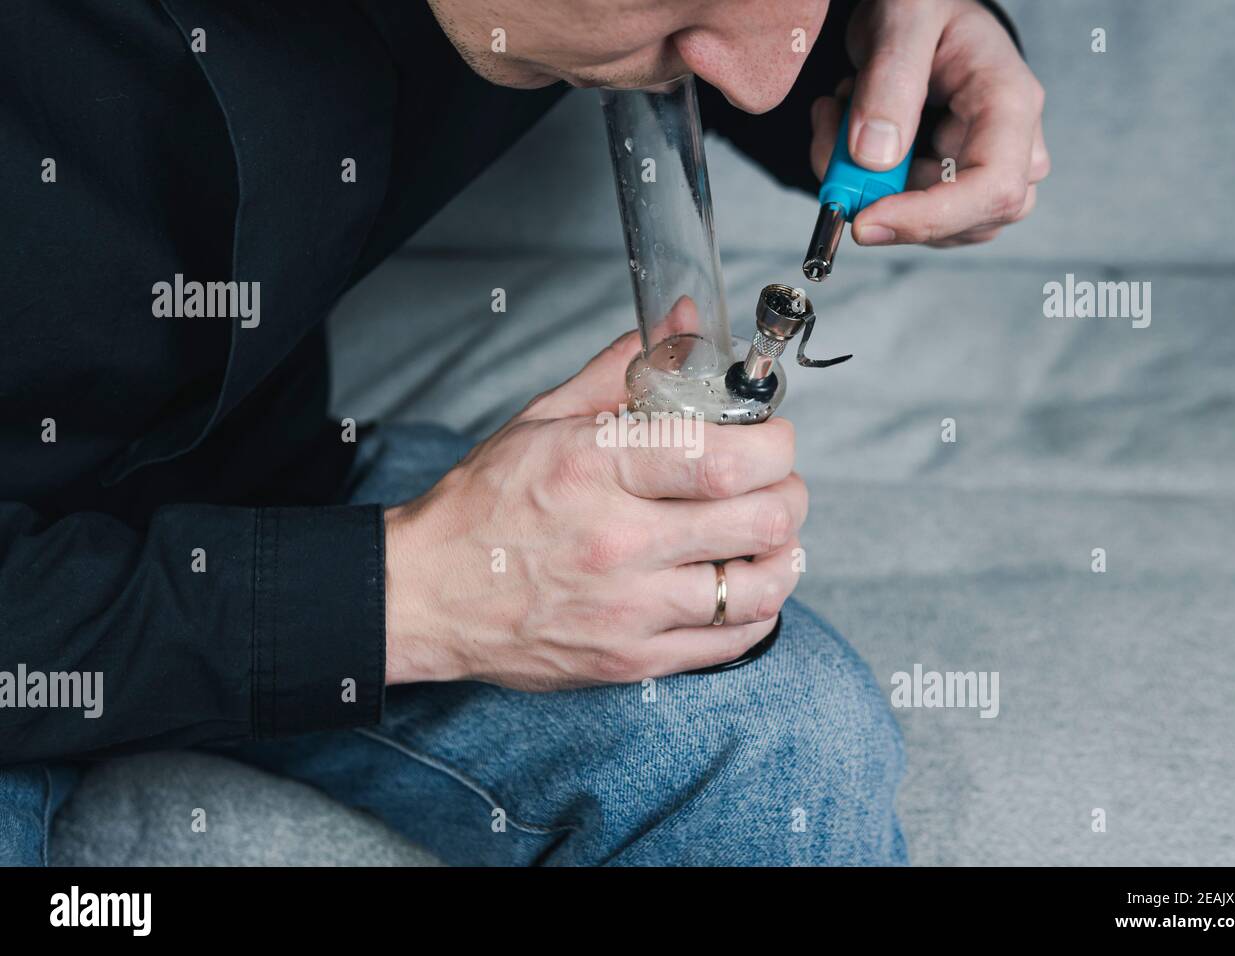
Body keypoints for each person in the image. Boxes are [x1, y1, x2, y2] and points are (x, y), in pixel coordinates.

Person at [0, 0, 1047, 865]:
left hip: (265, 483)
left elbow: (785, 62)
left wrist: (907, 41)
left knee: (785, 741)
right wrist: (408, 596)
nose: (762, 75)